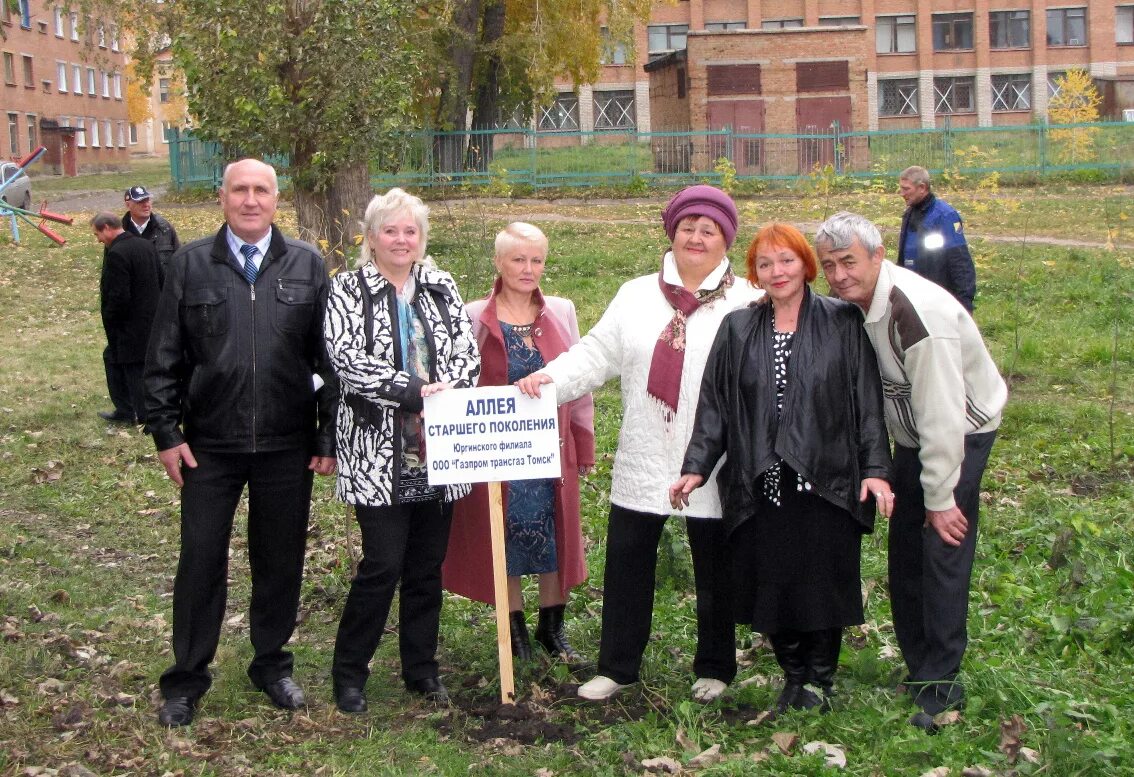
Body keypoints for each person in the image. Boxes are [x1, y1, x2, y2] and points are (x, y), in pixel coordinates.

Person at [516, 185, 762, 703]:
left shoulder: (748, 303)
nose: (696, 237)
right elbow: (594, 356)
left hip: (714, 459)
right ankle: (618, 666)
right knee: (628, 563)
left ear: (726, 241)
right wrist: (546, 381)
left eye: (709, 230)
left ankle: (716, 665)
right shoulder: (634, 295)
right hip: (645, 449)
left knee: (715, 565)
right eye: (687, 227)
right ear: (671, 232)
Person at [144, 158, 339, 727]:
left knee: (279, 559)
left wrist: (326, 432)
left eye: (261, 190)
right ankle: (186, 678)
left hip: (287, 443)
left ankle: (272, 665)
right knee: (201, 559)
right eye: (240, 190)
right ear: (222, 197)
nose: (251, 200)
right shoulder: (189, 266)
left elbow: (327, 361)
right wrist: (165, 432)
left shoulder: (306, 264)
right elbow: (162, 359)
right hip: (210, 445)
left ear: (276, 198)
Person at [669, 223, 893, 717]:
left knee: (820, 581)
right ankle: (794, 675)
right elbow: (716, 405)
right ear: (756, 274)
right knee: (771, 579)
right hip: (762, 478)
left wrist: (876, 469)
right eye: (766, 264)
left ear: (805, 265)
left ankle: (819, 678)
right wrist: (697, 466)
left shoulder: (842, 321)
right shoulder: (739, 328)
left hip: (826, 477)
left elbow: (867, 404)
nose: (777, 271)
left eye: (786, 260)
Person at [815, 211, 1007, 732]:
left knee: (940, 546)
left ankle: (942, 684)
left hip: (960, 429)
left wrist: (942, 496)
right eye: (829, 266)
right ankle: (919, 666)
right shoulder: (856, 306)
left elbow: (943, 413)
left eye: (850, 262)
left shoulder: (915, 313)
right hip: (912, 433)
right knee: (904, 546)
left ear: (879, 257)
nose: (839, 276)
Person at [324, 188, 480, 714]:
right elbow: (345, 359)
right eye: (390, 230)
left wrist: (448, 391)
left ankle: (421, 670)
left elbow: (466, 354)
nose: (401, 239)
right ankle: (349, 673)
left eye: (410, 230)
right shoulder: (348, 288)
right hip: (377, 454)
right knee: (381, 565)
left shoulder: (441, 286)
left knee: (426, 568)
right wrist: (414, 392)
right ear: (371, 237)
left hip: (442, 451)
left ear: (421, 238)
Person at [442, 222, 595, 665]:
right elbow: (458, 382)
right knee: (501, 535)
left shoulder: (562, 312)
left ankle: (553, 628)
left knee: (554, 534)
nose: (528, 269)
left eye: (537, 259)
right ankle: (515, 631)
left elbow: (579, 382)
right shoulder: (472, 315)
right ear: (498, 262)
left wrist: (583, 443)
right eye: (518, 259)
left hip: (551, 447)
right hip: (496, 453)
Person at [91, 212, 161, 426]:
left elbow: (119, 295)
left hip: (129, 324)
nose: (98, 240)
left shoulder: (117, 254)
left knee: (132, 369)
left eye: (97, 234)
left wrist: (112, 318)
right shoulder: (146, 245)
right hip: (152, 319)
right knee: (129, 363)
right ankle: (132, 410)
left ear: (106, 228)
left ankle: (138, 413)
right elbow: (161, 277)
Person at [896, 166, 976, 311]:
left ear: (922, 187)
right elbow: (903, 259)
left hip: (939, 298)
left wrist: (964, 306)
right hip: (914, 297)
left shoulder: (945, 216)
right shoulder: (909, 215)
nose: (902, 193)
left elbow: (960, 262)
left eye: (906, 189)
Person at [122, 184, 181, 286]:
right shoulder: (120, 232)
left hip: (162, 293)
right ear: (128, 205)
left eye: (147, 200)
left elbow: (179, 261)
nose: (146, 205)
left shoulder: (165, 229)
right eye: (140, 201)